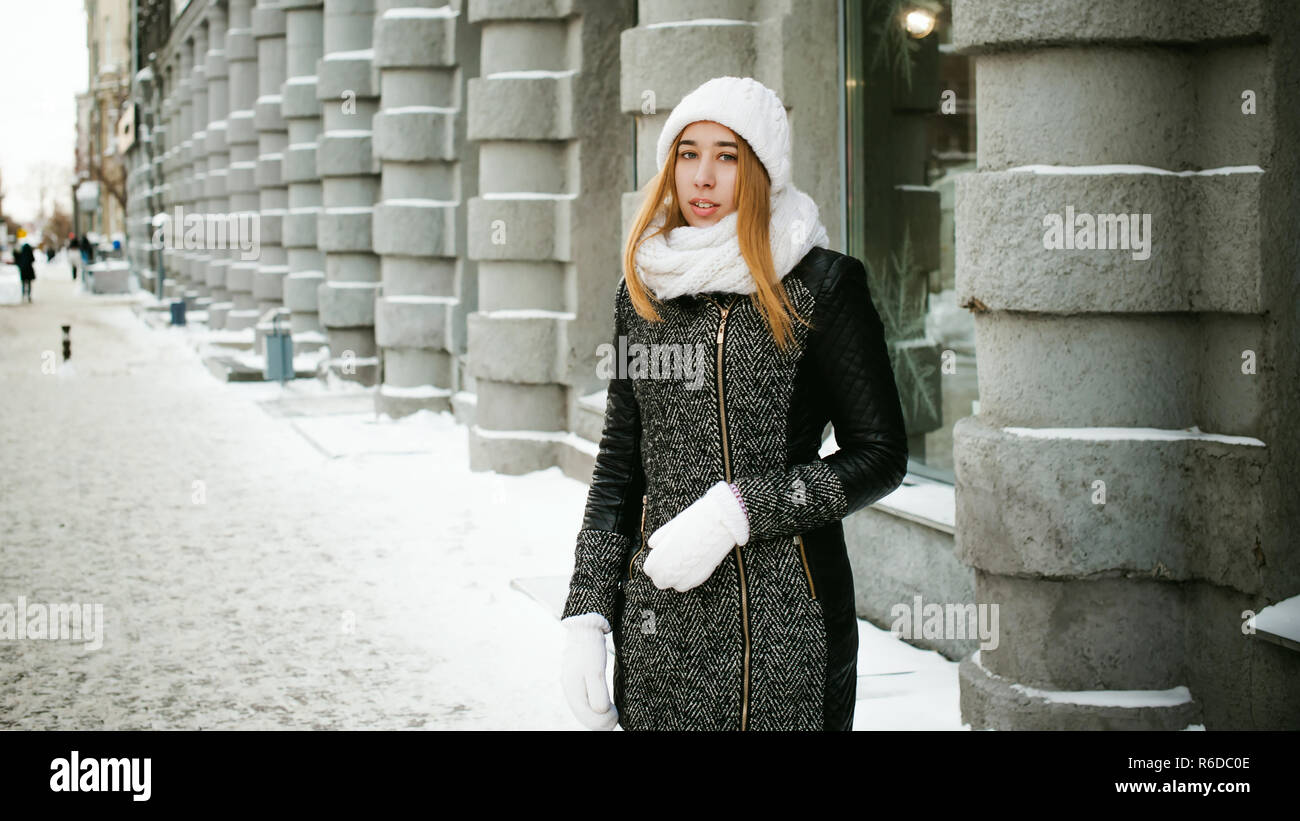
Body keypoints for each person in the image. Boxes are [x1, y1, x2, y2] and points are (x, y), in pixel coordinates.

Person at [559, 76, 909, 731]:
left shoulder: (821, 283)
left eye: (728, 155)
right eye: (688, 153)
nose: (703, 176)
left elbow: (881, 453)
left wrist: (737, 512)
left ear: (762, 170)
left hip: (784, 624)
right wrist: (588, 607)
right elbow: (619, 460)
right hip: (662, 614)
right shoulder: (644, 286)